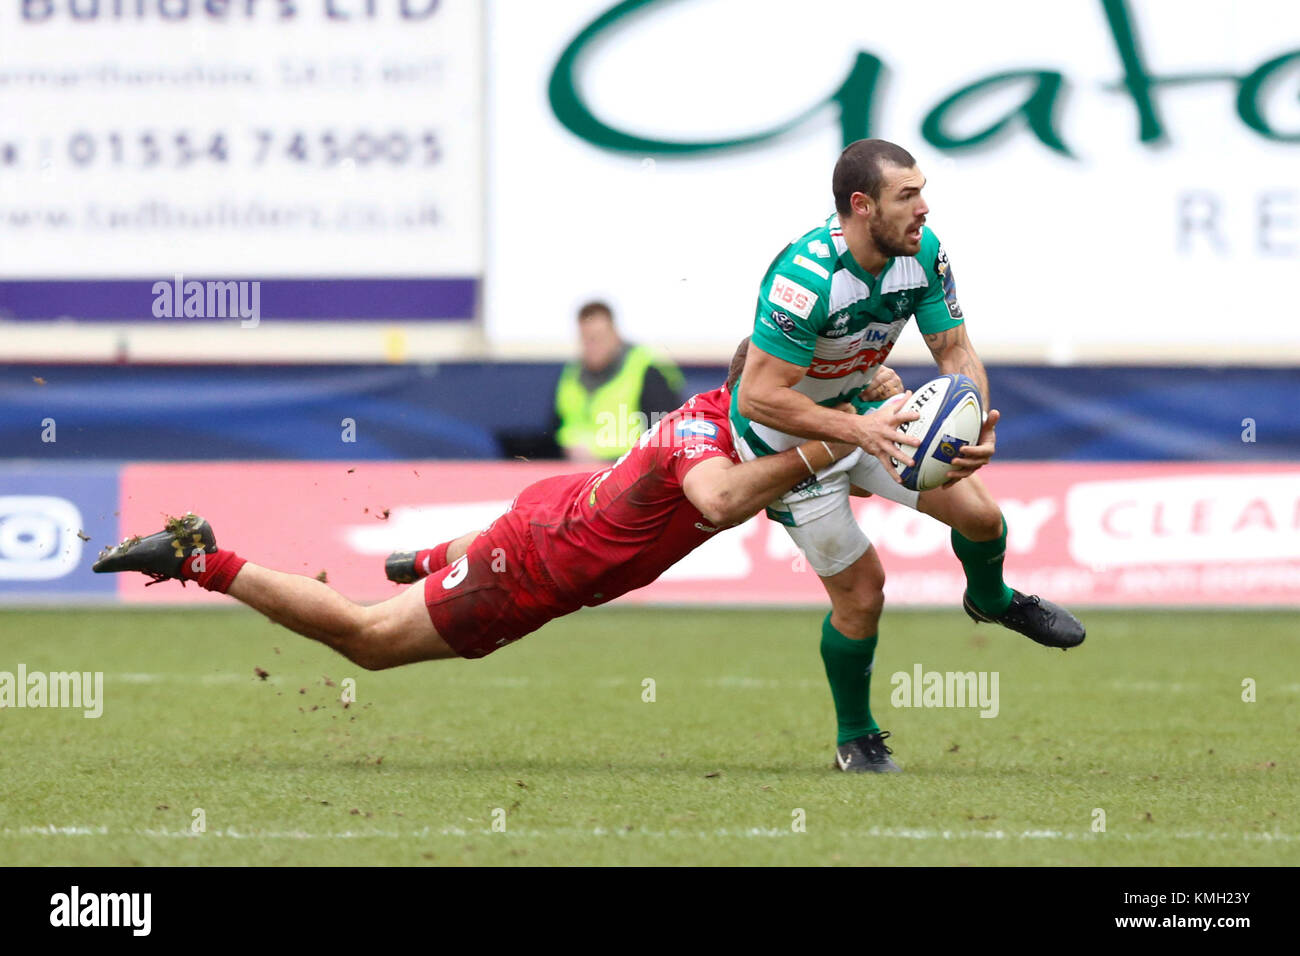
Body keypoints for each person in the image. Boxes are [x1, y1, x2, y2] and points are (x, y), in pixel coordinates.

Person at [94, 344, 915, 696]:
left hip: (544, 515)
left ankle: (423, 560)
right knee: (369, 643)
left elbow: (819, 459)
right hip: (529, 570)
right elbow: (724, 500)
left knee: (430, 587)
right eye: (799, 396)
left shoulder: (722, 416)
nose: (807, 408)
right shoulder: (714, 449)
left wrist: (861, 401)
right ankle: (203, 558)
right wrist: (840, 444)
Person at [733, 138, 1085, 774]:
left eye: (923, 190)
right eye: (909, 195)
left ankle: (992, 599)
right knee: (864, 593)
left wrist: (970, 419)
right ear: (862, 206)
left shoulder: (923, 252)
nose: (924, 207)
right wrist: (855, 432)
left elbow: (954, 349)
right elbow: (759, 397)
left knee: (983, 518)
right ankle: (856, 739)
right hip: (788, 445)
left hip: (863, 418)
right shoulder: (806, 276)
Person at [553, 300, 685, 462]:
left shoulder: (647, 370)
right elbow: (558, 425)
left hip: (630, 470)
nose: (592, 346)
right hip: (574, 467)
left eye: (598, 337)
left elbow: (665, 437)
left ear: (615, 334)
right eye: (586, 339)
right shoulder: (572, 373)